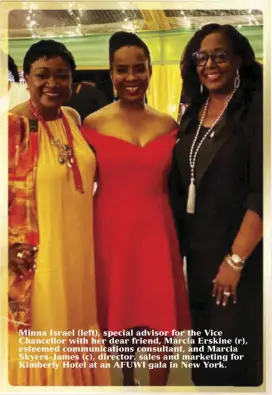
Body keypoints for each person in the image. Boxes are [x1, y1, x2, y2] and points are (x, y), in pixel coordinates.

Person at [82, 31, 191, 387]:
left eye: (139, 69)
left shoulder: (169, 124)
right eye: (122, 70)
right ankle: (127, 381)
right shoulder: (92, 124)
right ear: (111, 73)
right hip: (111, 231)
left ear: (150, 71)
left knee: (159, 319)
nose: (131, 78)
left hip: (158, 230)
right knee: (122, 314)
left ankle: (158, 388)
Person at [8, 39, 111, 386]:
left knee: (77, 322)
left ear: (73, 80)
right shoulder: (12, 127)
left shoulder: (71, 117)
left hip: (78, 254)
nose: (52, 83)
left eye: (62, 76)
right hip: (39, 256)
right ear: (26, 77)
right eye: (42, 75)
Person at [168, 23, 263, 386]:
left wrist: (235, 261)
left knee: (235, 354)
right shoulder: (194, 111)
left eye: (220, 56)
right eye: (201, 57)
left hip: (240, 255)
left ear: (238, 60)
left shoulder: (256, 111)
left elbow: (262, 192)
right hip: (201, 254)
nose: (210, 64)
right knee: (206, 358)